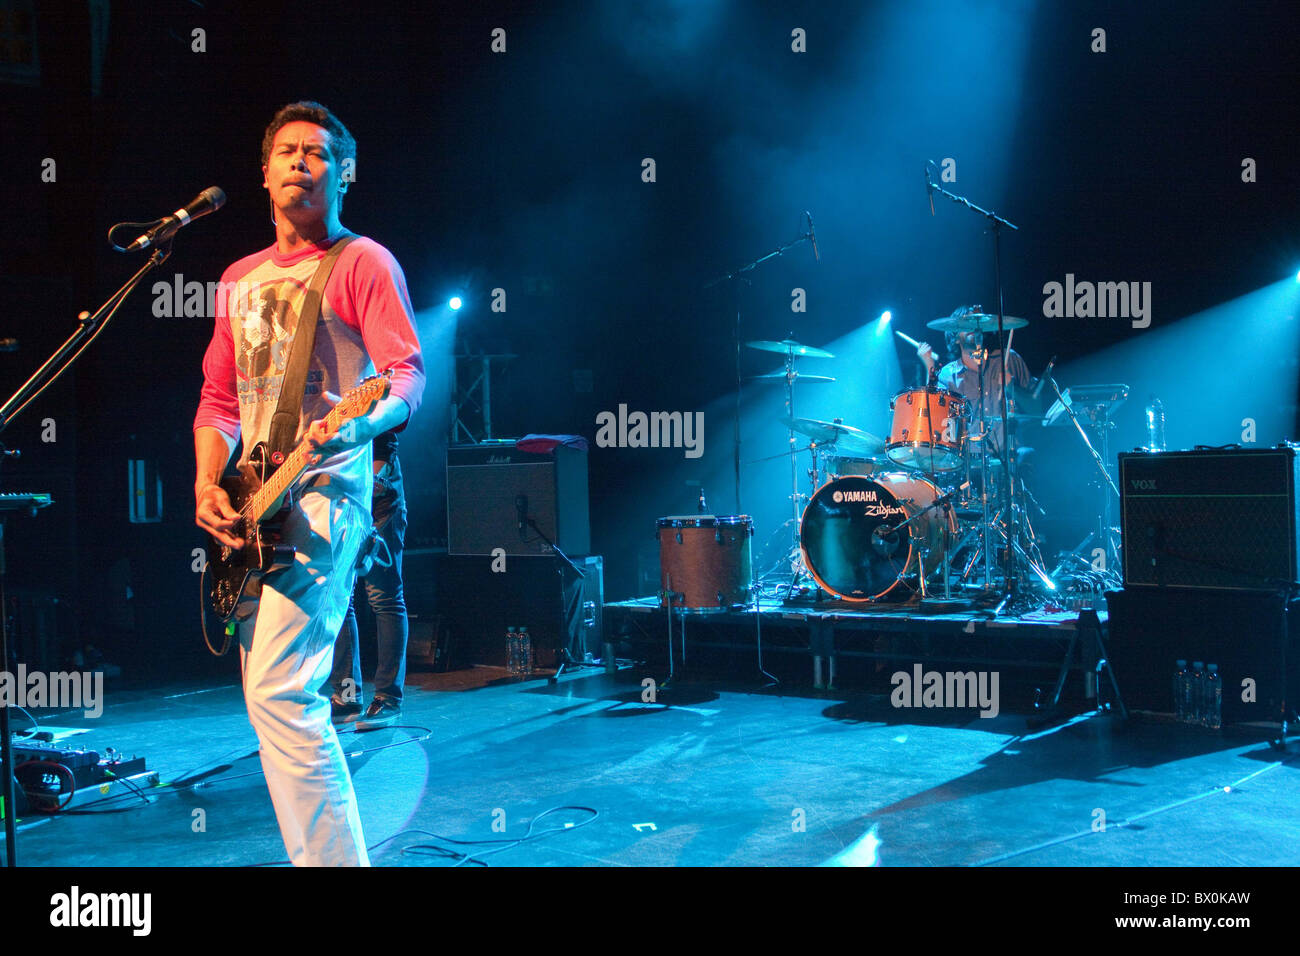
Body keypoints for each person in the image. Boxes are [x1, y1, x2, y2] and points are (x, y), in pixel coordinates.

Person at [193, 101, 424, 866]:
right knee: (276, 701)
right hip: (256, 505)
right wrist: (207, 486)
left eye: (319, 153)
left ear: (344, 173)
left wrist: (359, 425)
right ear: (264, 172)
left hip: (326, 493)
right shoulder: (237, 279)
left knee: (284, 693)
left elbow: (405, 375)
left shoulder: (362, 263)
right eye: (287, 150)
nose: (301, 161)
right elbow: (220, 400)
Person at [330, 428, 409, 730]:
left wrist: (373, 480)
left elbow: (386, 442)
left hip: (379, 503)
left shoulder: (367, 383)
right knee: (339, 598)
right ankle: (347, 696)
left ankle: (389, 699)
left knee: (384, 597)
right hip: (339, 502)